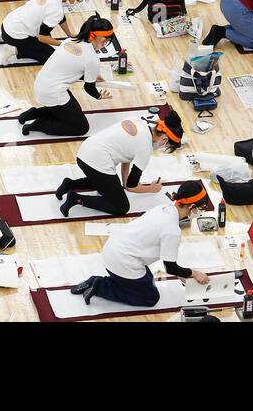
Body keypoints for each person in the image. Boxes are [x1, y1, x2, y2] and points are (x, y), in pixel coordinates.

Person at [71, 180, 213, 306]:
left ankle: (109, 281)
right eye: (201, 208)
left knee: (147, 279)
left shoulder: (162, 209)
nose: (200, 212)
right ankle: (99, 286)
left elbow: (164, 258)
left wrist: (184, 274)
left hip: (112, 249)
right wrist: (195, 274)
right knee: (150, 298)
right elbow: (170, 268)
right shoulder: (172, 230)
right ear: (192, 207)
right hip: (123, 261)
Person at [59, 110, 184, 217]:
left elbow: (127, 159)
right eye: (166, 146)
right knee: (121, 206)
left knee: (109, 185)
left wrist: (125, 182)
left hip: (84, 152)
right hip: (96, 162)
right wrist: (151, 189)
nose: (162, 148)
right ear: (164, 139)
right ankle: (75, 199)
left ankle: (70, 184)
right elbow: (131, 186)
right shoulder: (145, 148)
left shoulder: (137, 120)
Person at [20, 14, 113, 136]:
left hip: (42, 84)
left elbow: (70, 68)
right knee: (81, 127)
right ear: (102, 40)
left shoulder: (70, 41)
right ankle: (38, 125)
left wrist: (90, 76)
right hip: (53, 92)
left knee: (70, 113)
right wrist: (99, 96)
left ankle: (34, 113)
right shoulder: (92, 58)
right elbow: (89, 88)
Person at [0, 0, 89, 64]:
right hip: (14, 37)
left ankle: (1, 35)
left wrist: (69, 34)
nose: (77, 2)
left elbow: (60, 17)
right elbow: (42, 38)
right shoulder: (56, 9)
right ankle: (13, 50)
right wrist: (62, 44)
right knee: (50, 57)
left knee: (47, 37)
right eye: (78, 0)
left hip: (7, 24)